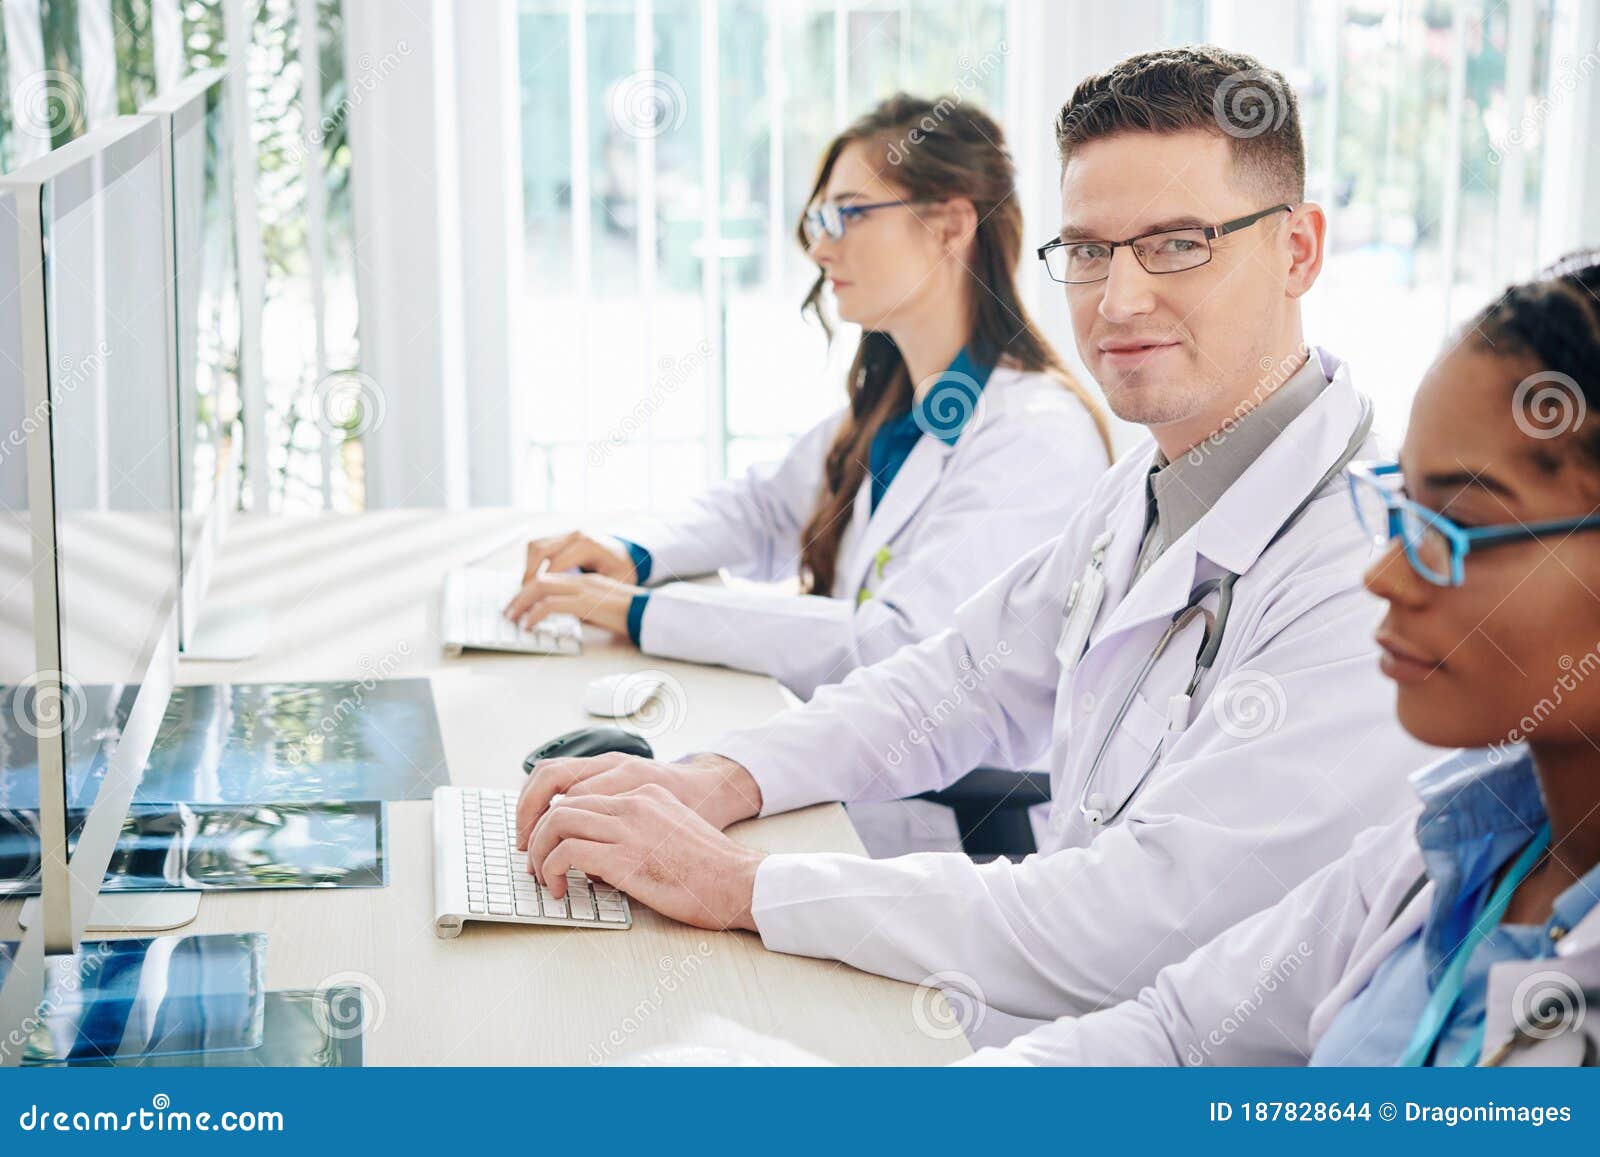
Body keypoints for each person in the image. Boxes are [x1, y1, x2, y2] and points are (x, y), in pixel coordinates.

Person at [512, 46, 1434, 1039]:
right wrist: (715, 778)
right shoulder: (1148, 487)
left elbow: (1133, 923)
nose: (1117, 299)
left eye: (1175, 243)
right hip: (1056, 1021)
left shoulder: (1366, 574)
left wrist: (745, 886)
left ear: (1297, 250)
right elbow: (954, 677)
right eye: (1087, 249)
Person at [968, 254, 1600, 1066]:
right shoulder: (1448, 844)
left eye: (1456, 526)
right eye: (1401, 506)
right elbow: (1179, 1030)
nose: (1385, 574)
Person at [504, 94, 1111, 703]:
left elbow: (899, 645)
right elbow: (764, 507)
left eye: (849, 215)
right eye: (820, 222)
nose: (820, 251)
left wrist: (639, 614)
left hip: (939, 794)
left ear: (951, 226)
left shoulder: (1036, 435)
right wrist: (629, 553)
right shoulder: (904, 407)